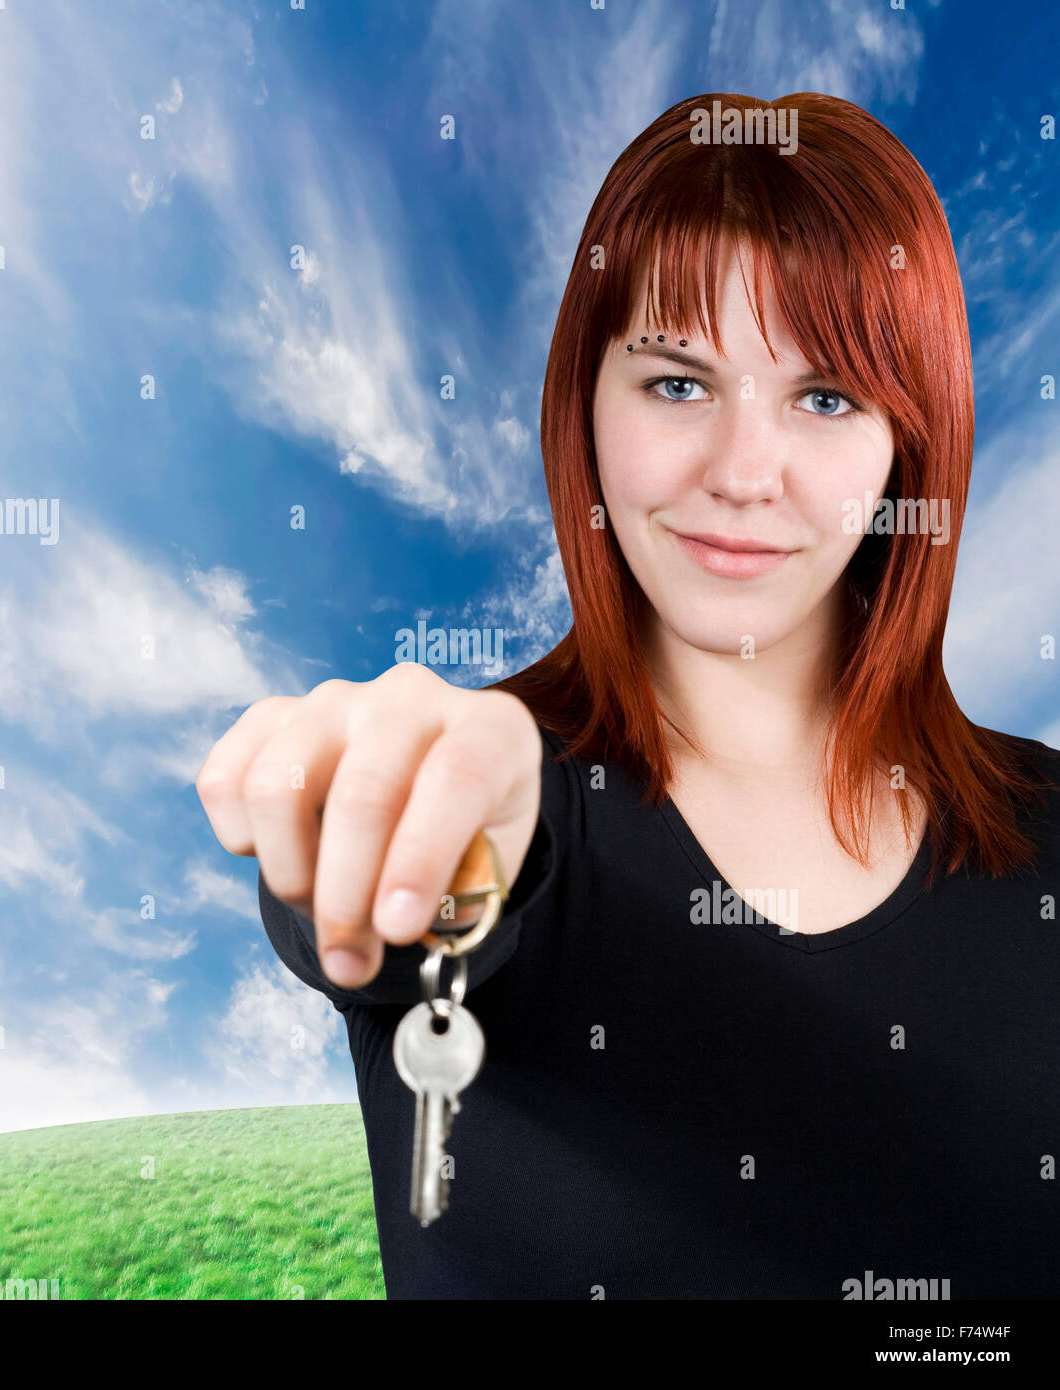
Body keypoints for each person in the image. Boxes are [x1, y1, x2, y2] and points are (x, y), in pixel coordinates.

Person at [196, 92, 1060, 1299]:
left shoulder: (1047, 828)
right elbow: (420, 886)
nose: (743, 475)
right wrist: (410, 810)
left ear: (909, 445)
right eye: (675, 383)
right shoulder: (500, 796)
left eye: (825, 398)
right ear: (583, 404)